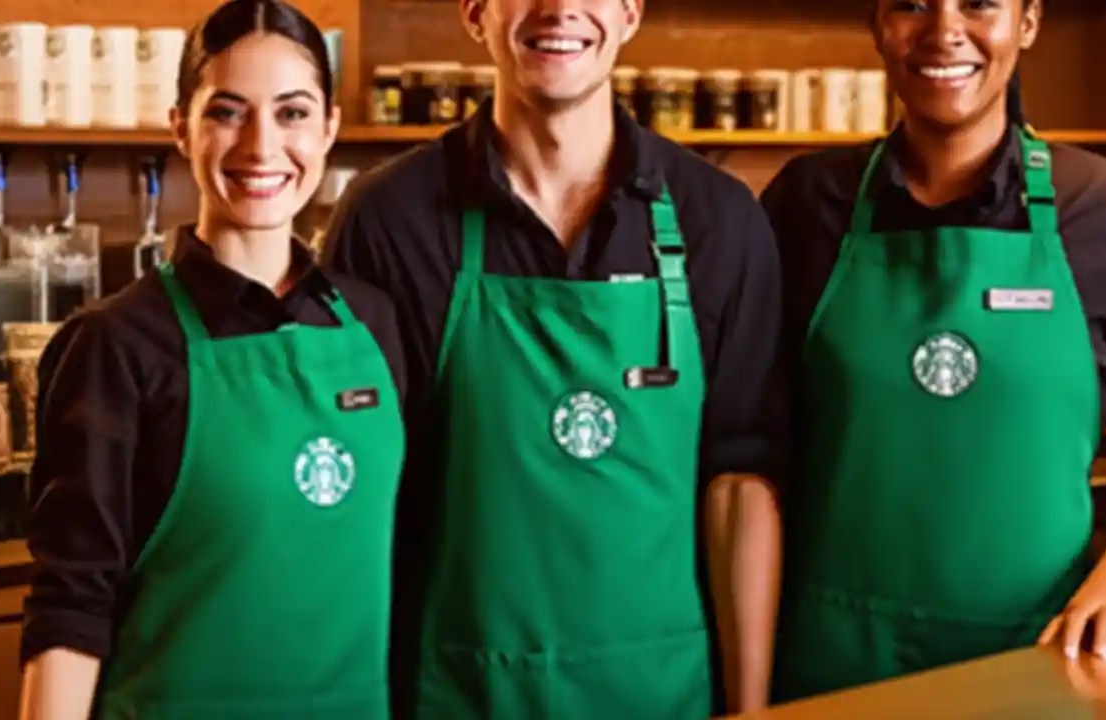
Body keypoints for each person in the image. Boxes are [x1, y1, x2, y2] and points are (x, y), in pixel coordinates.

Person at [760, 0, 1106, 703]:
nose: (943, 30)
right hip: (833, 665)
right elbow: (749, 450)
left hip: (1043, 657)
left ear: (1029, 21)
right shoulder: (805, 203)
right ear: (877, 25)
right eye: (911, 5)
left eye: (979, 4)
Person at [323, 0, 784, 716]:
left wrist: (752, 709)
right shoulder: (389, 220)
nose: (560, 8)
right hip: (460, 689)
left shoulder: (718, 219)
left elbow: (738, 484)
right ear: (475, 11)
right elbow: (363, 502)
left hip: (663, 693)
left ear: (631, 10)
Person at [17, 1, 407, 718]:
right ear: (180, 128)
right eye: (227, 112)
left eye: (292, 113)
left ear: (328, 129)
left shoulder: (376, 322)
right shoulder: (116, 345)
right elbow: (71, 604)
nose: (261, 147)